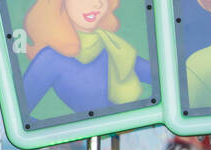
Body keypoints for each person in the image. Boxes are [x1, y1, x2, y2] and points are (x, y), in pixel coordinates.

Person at [22, 0, 152, 114]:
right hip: (85, 137)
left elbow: (158, 76)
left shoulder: (112, 45)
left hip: (124, 132)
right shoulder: (50, 59)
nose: (97, 4)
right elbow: (20, 116)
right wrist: (68, 133)